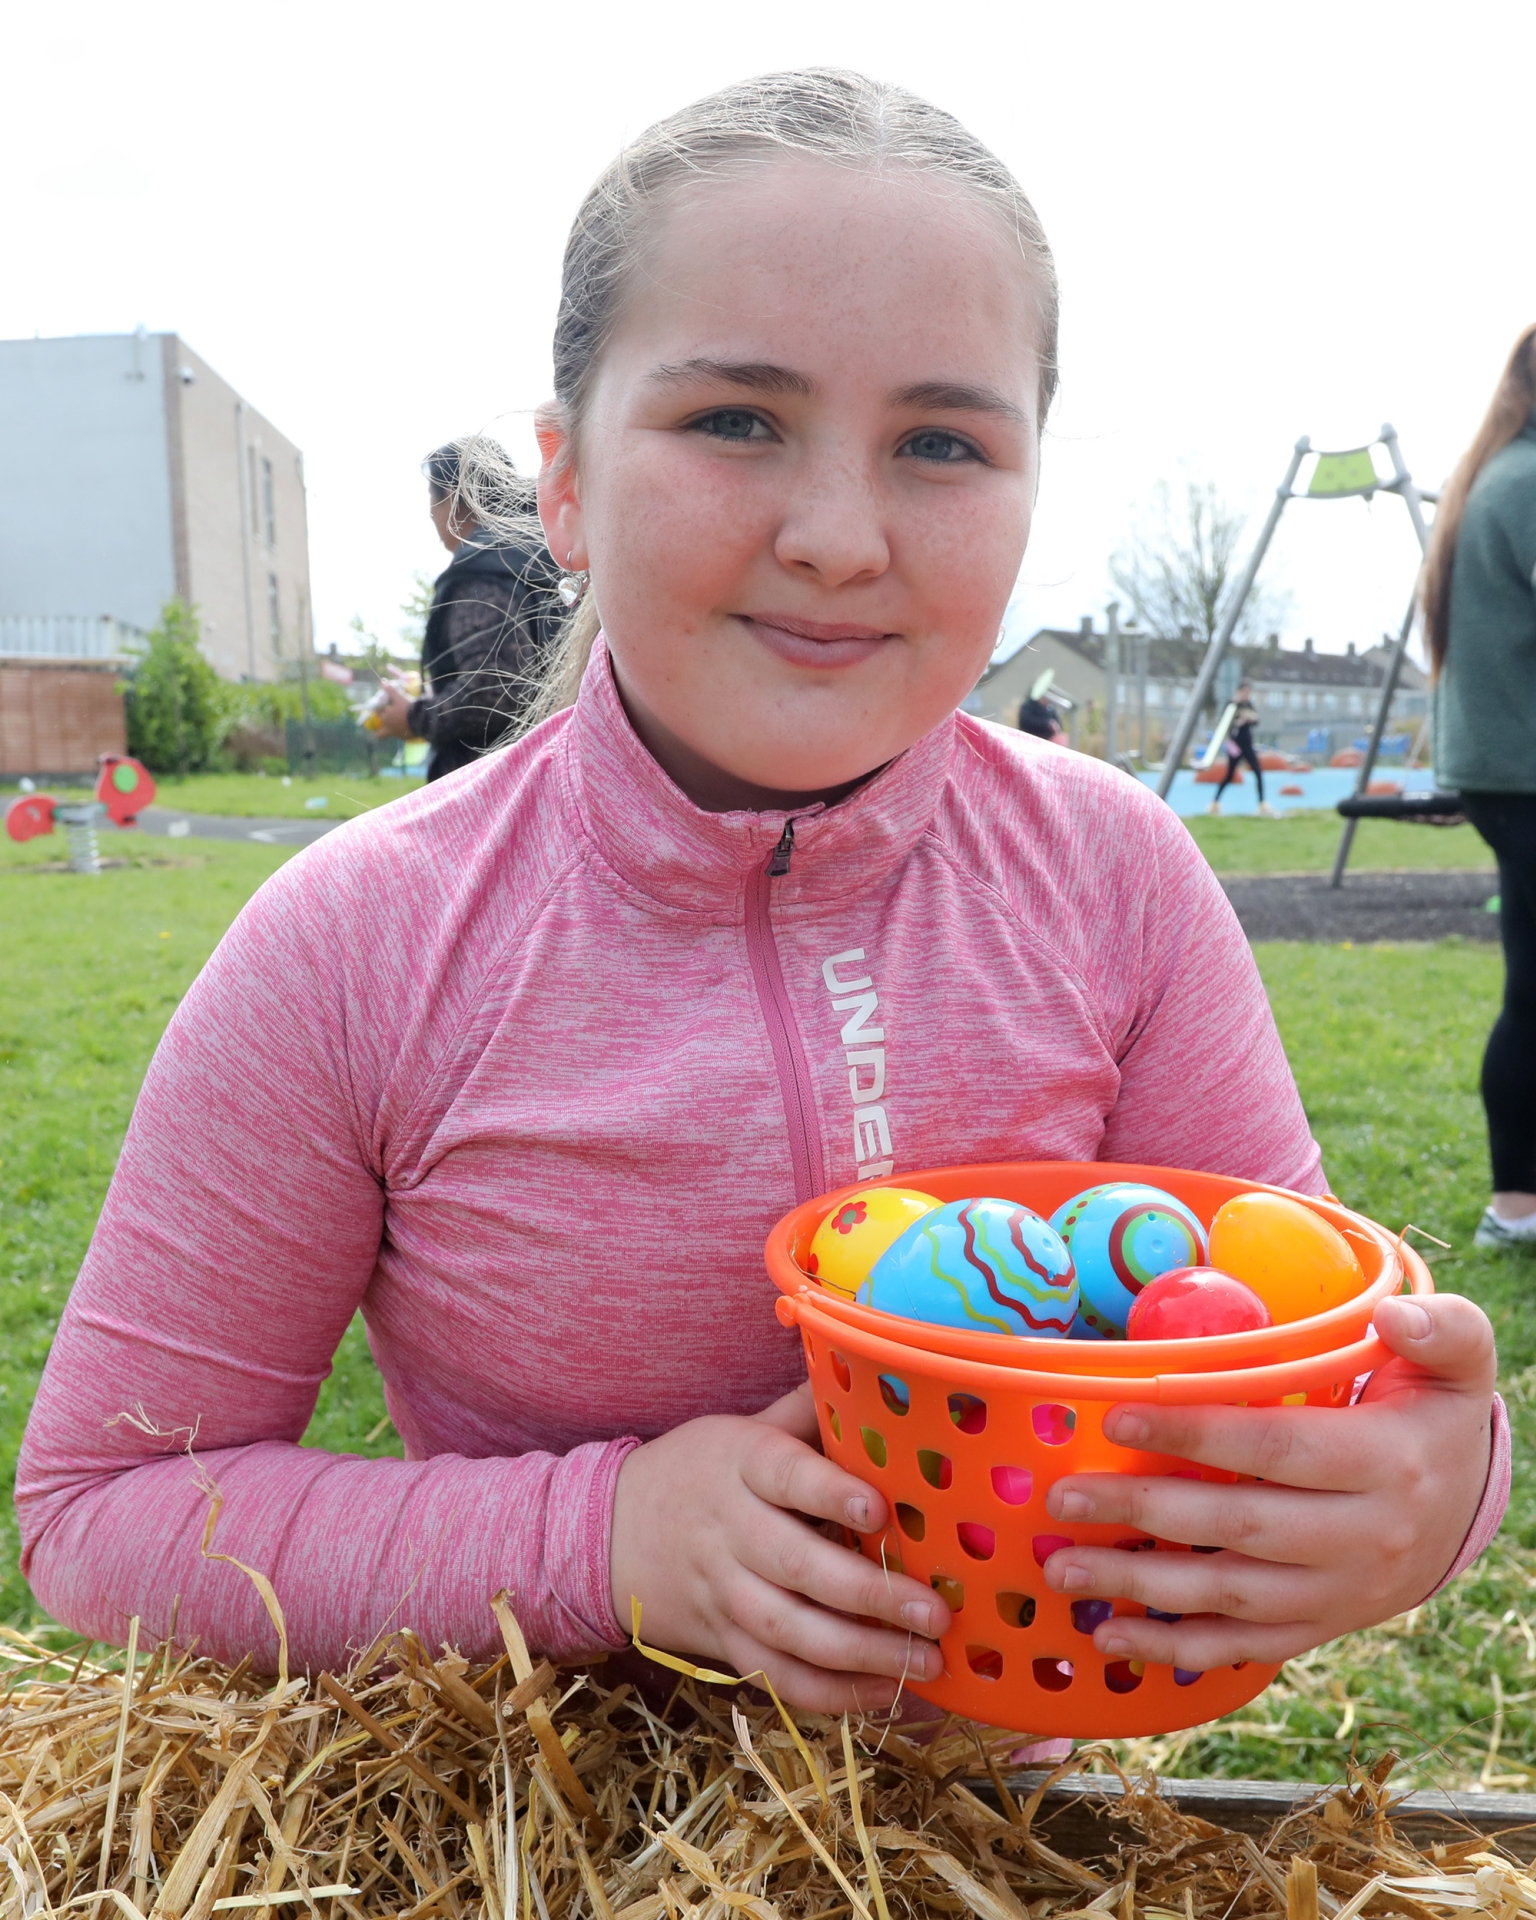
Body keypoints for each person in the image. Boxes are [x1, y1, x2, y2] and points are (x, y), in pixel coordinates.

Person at [18, 71, 1505, 1713]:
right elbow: (100, 1512)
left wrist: (1436, 1492)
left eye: (940, 441)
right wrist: (610, 1538)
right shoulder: (358, 945)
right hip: (539, 1841)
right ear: (564, 482)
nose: (840, 535)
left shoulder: (1118, 883)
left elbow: (1313, 1368)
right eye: (735, 420)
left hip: (992, 1858)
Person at [1423, 322, 1536, 1251]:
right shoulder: (1531, 482)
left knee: (1533, 987)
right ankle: (1514, 1207)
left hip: (1507, 769)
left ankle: (1518, 1207)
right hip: (1526, 769)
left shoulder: (1502, 474)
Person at [370, 438, 566, 780]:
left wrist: (414, 715)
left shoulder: (483, 573)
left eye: (433, 497)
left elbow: (492, 692)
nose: (431, 513)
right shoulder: (546, 559)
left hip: (493, 791)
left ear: (456, 501)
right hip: (550, 774)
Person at [1208, 680, 1275, 816]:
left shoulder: (1249, 705)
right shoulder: (1232, 705)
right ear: (1239, 692)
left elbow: (1256, 719)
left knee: (1258, 772)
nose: (1247, 695)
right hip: (1235, 745)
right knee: (1229, 775)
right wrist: (1239, 721)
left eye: (1249, 693)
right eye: (1245, 692)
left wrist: (1249, 718)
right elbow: (1226, 722)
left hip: (1247, 744)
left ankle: (1262, 804)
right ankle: (1214, 803)